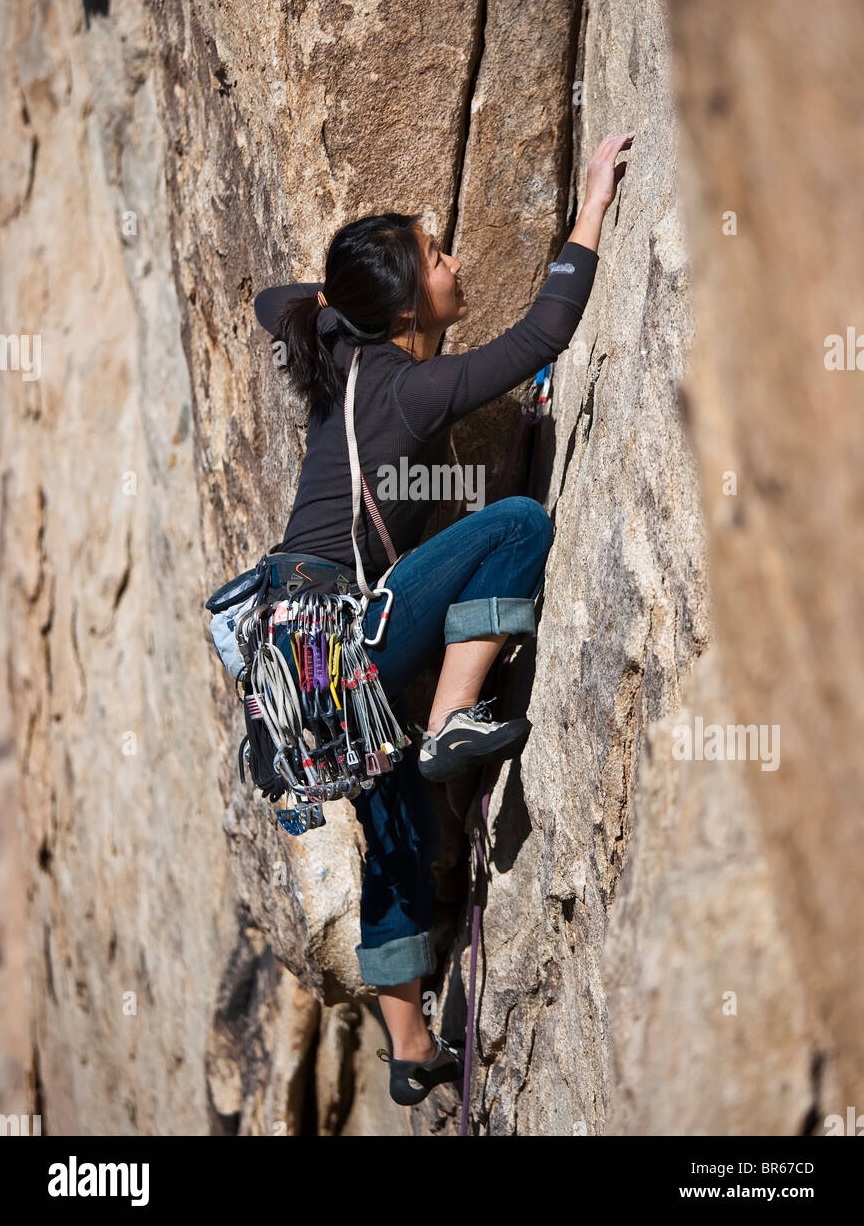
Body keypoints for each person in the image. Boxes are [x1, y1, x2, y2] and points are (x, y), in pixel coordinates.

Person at [253, 132, 633, 1104]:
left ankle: (411, 1049)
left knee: (387, 836)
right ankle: (455, 716)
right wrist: (590, 207)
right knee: (511, 523)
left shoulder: (343, 354)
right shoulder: (413, 387)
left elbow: (274, 302)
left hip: (291, 656)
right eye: (435, 253)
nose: (453, 258)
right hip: (344, 633)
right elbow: (539, 336)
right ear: (411, 301)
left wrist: (335, 302)